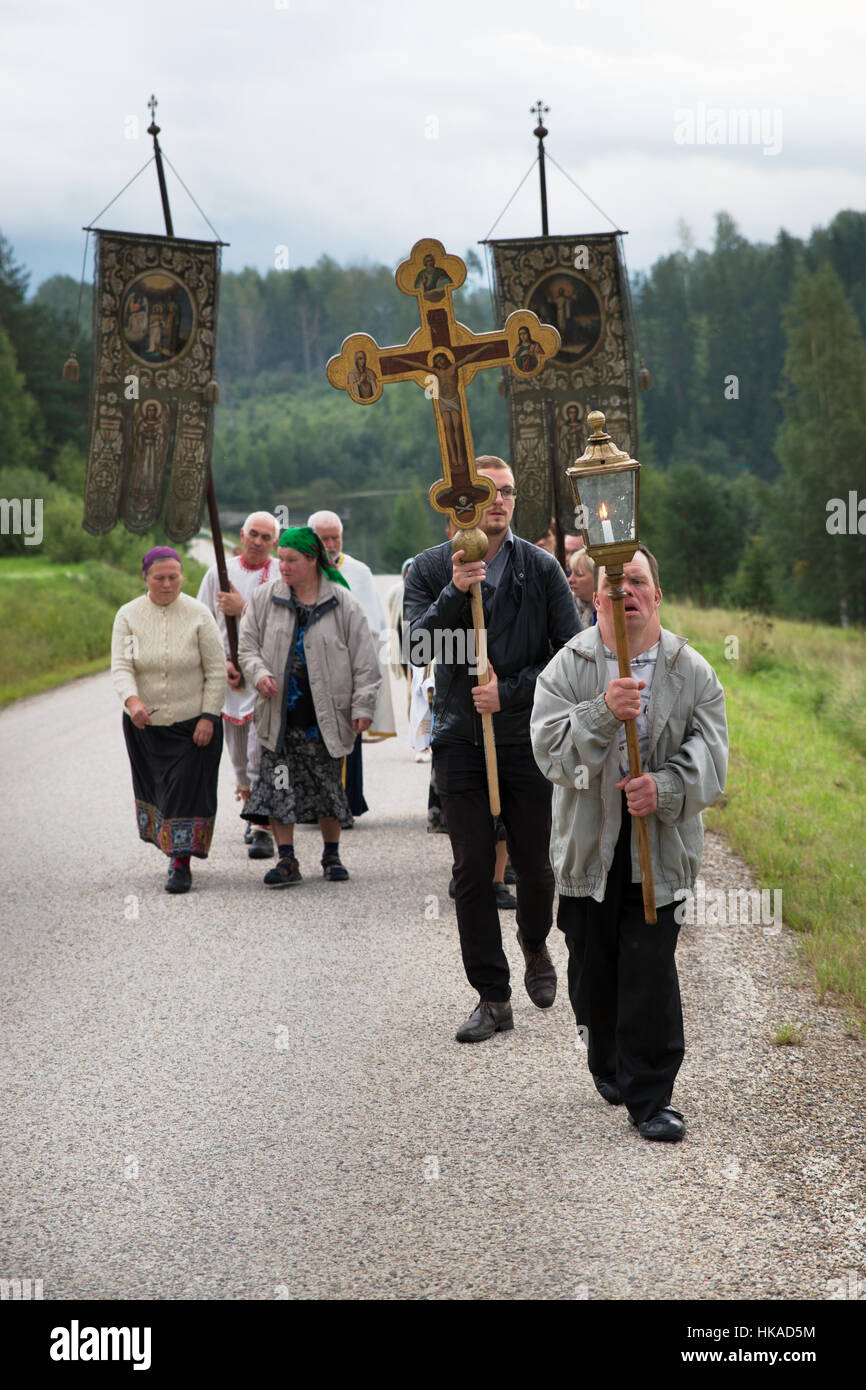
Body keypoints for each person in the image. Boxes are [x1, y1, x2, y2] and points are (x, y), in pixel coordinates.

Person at [530, 545, 728, 1141]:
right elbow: (547, 750)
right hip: (589, 847)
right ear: (596, 600)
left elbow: (712, 756)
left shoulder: (691, 671)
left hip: (658, 850)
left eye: (638, 582)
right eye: (615, 587)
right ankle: (607, 1058)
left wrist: (665, 789)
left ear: (657, 594)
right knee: (593, 968)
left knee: (649, 966)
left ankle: (652, 1096)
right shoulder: (568, 666)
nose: (627, 595)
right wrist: (599, 714)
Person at [404, 455, 578, 1042]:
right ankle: (492, 995)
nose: (498, 502)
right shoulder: (428, 569)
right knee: (472, 872)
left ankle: (535, 945)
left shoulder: (542, 567)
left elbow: (570, 654)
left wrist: (510, 692)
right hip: (459, 736)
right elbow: (418, 647)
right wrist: (455, 592)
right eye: (485, 493)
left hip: (526, 735)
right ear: (460, 505)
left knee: (535, 865)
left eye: (506, 492)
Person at [238, 526, 381, 885]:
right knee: (279, 787)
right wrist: (258, 675)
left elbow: (365, 659)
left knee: (326, 787)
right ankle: (287, 859)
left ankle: (331, 855)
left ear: (311, 559)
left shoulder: (342, 602)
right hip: (279, 717)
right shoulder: (264, 598)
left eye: (290, 560)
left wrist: (363, 705)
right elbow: (247, 646)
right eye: (280, 559)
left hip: (325, 717)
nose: (282, 566)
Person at [111, 546, 227, 894]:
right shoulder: (129, 616)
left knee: (184, 791)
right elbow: (122, 666)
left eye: (173, 577)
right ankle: (171, 848)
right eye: (159, 578)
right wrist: (133, 702)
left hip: (194, 727)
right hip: (145, 726)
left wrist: (208, 716)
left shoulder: (198, 614)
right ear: (144, 578)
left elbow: (217, 671)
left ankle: (180, 863)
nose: (166, 584)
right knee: (160, 791)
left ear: (182, 577)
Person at [197, 511, 280, 860]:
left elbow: (280, 623)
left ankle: (264, 826)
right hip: (229, 677)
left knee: (260, 752)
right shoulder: (218, 572)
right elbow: (202, 624)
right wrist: (224, 664)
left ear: (274, 542)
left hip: (263, 673)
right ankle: (250, 810)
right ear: (242, 535)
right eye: (254, 535)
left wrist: (242, 607)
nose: (258, 542)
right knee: (238, 756)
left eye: (266, 537)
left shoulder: (278, 573)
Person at [308, 509, 396, 820]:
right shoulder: (300, 569)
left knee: (344, 741)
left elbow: (372, 626)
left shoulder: (358, 572)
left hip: (345, 674)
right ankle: (312, 806)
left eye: (336, 538)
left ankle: (343, 804)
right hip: (308, 673)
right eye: (324, 539)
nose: (330, 544)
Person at [567, 548, 596, 630]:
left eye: (579, 574)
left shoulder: (611, 609)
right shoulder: (566, 605)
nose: (570, 580)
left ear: (597, 578)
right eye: (571, 572)